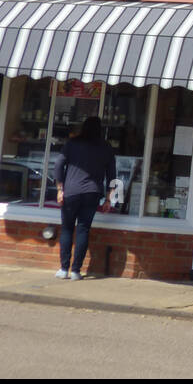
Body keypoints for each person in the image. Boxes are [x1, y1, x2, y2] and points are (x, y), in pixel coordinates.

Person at [51, 116, 116, 280]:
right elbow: (112, 175)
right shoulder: (106, 147)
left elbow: (58, 164)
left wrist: (60, 189)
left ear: (83, 128)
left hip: (71, 192)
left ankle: (64, 268)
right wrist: (109, 199)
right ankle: (76, 271)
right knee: (83, 229)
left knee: (67, 228)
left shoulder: (72, 144)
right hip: (93, 193)